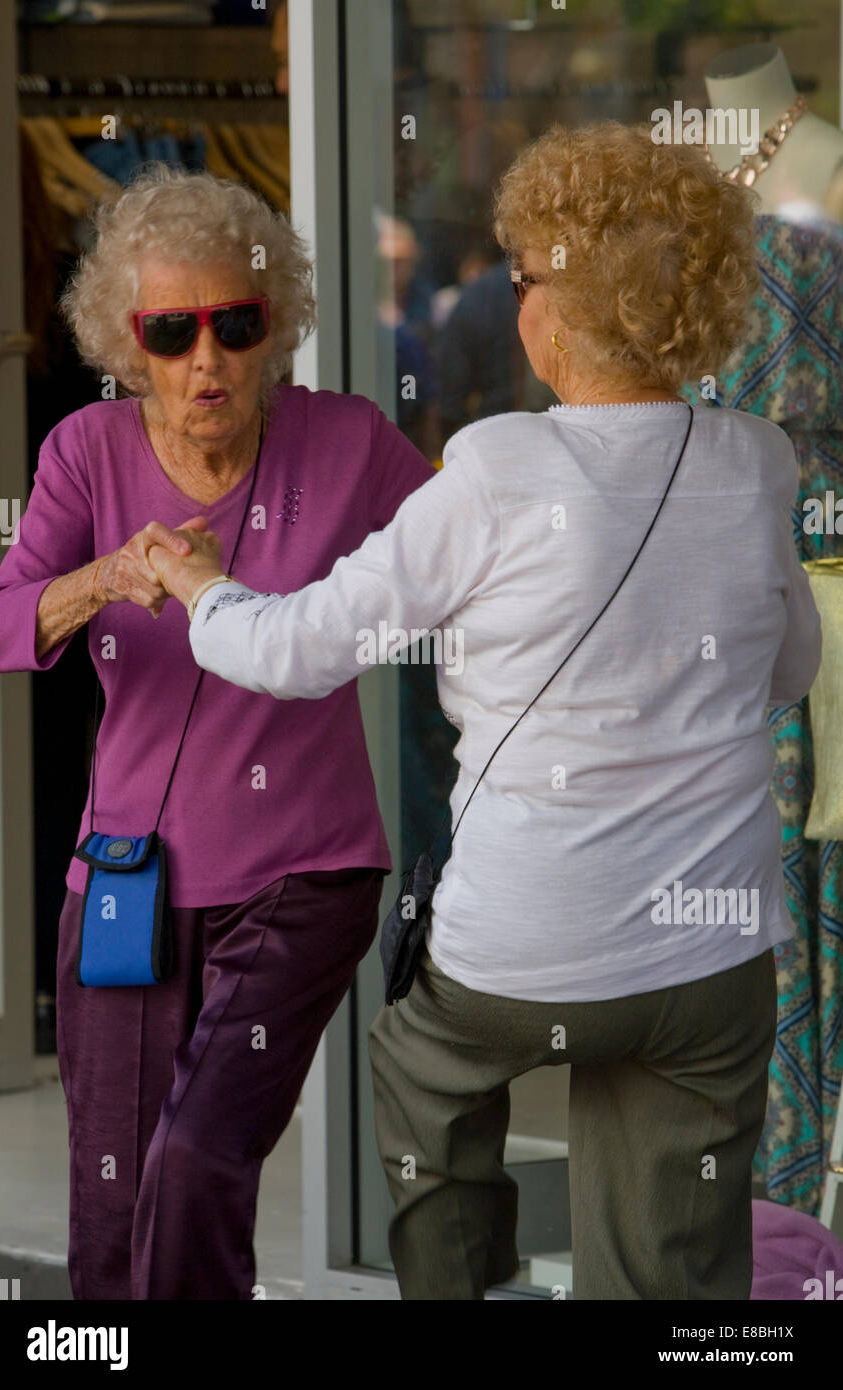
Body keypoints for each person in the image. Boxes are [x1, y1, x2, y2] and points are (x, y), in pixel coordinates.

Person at [144, 121, 822, 1300]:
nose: (514, 305)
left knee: (422, 1068)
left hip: (530, 944)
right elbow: (783, 668)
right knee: (672, 1255)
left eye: (524, 280)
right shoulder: (756, 458)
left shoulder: (497, 465)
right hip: (712, 951)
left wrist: (203, 589)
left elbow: (303, 648)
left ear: (565, 307)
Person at [0, 164, 433, 1300]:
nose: (206, 361)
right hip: (125, 880)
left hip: (304, 873)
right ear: (128, 344)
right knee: (112, 1192)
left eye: (236, 325)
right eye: (171, 333)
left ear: (273, 326)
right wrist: (104, 577)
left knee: (194, 1157)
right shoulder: (85, 452)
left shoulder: (349, 443)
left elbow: (471, 568)